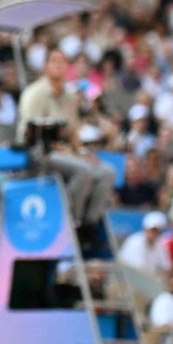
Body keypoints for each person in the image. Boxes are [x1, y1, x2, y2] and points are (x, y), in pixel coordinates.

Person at [17, 48, 117, 238]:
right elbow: (30, 133)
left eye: (62, 62)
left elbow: (73, 131)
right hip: (39, 153)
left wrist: (82, 152)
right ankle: (71, 221)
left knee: (107, 171)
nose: (58, 65)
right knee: (83, 170)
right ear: (46, 65)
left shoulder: (69, 97)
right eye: (54, 61)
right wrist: (66, 151)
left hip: (66, 151)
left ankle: (89, 224)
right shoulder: (34, 94)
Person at [116, 211, 171, 275]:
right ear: (145, 229)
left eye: (158, 231)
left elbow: (166, 268)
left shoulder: (160, 244)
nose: (155, 234)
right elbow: (136, 271)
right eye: (153, 230)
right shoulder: (134, 242)